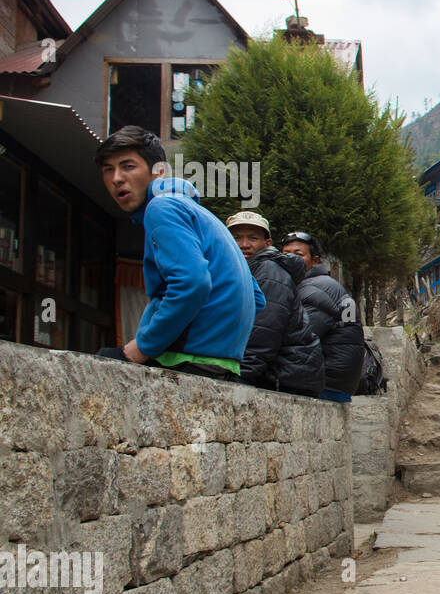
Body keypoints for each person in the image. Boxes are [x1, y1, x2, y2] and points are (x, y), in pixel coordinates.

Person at [94, 126, 263, 380]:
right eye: (108, 169)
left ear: (159, 171)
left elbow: (191, 282)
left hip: (187, 358)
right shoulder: (202, 215)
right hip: (224, 364)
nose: (117, 177)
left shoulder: (161, 207)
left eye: (128, 166)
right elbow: (257, 298)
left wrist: (142, 347)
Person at [226, 212, 324, 397]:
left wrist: (239, 377)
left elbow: (265, 330)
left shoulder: (269, 273)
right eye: (237, 237)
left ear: (268, 243)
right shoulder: (243, 270)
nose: (244, 244)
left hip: (285, 376)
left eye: (253, 238)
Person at [280, 231, 365, 402]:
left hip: (327, 383)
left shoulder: (316, 289)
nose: (290, 260)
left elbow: (299, 338)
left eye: (298, 255)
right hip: (336, 380)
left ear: (315, 260)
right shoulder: (319, 284)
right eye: (285, 255)